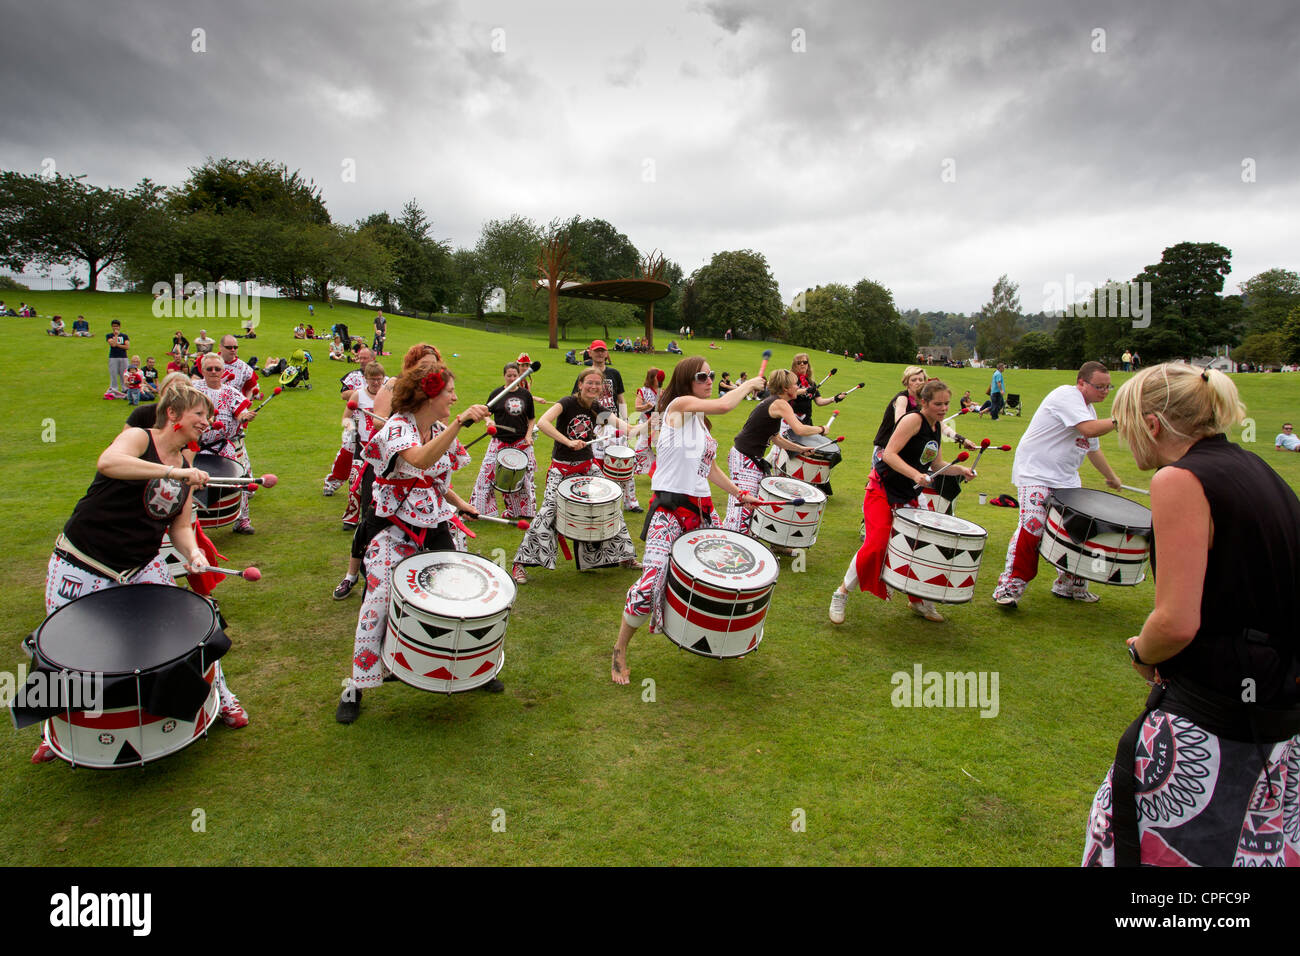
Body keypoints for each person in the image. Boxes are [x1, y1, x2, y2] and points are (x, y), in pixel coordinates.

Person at [1082, 363, 1300, 867]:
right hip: (1273, 713)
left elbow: (1177, 621)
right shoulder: (1256, 469)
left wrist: (1141, 650)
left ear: (1153, 424)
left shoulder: (1179, 477)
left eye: (1126, 423)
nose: (1125, 440)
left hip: (1214, 718)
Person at [31, 385, 249, 763]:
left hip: (142, 565)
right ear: (174, 414)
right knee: (65, 651)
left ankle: (220, 700)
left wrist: (194, 555)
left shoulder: (186, 466)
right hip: (81, 562)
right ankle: (55, 731)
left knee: (191, 633)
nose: (207, 422)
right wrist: (171, 471)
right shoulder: (138, 438)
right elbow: (109, 463)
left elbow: (180, 528)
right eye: (201, 414)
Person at [335, 355, 491, 722]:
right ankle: (355, 685)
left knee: (459, 594)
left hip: (434, 526)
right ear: (428, 394)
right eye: (450, 392)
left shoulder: (437, 432)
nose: (454, 399)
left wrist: (460, 504)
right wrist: (460, 423)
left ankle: (472, 668)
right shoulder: (396, 428)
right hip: (391, 529)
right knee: (378, 599)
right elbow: (419, 461)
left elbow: (434, 479)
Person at [612, 358, 766, 684]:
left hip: (704, 510)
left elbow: (707, 468)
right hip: (669, 510)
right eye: (702, 376)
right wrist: (749, 384)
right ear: (687, 381)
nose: (709, 380)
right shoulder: (679, 406)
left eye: (712, 375)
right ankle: (620, 650)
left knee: (727, 577)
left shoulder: (699, 421)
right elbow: (725, 405)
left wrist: (739, 492)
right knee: (649, 585)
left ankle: (722, 640)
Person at [829, 379, 977, 626]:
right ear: (924, 402)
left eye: (946, 404)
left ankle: (917, 600)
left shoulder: (936, 426)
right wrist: (915, 475)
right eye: (938, 404)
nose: (943, 409)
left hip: (908, 494)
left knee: (915, 546)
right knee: (876, 545)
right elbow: (888, 454)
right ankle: (841, 593)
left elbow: (936, 464)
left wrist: (961, 470)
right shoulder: (912, 420)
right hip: (882, 490)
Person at [991, 362, 1123, 608]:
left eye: (1108, 387)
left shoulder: (1089, 410)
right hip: (1036, 474)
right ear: (1081, 383)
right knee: (1032, 527)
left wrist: (1111, 476)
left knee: (1077, 530)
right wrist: (1123, 418)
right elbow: (1089, 430)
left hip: (1067, 479)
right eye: (1099, 386)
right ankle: (1008, 588)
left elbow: (1093, 449)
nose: (1105, 392)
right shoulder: (1066, 395)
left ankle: (1070, 585)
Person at [510, 368, 643, 584]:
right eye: (589, 383)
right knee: (548, 513)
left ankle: (624, 556)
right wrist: (568, 441)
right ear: (580, 384)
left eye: (597, 384)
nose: (593, 387)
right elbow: (543, 423)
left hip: (588, 467)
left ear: (602, 387)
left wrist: (653, 423)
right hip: (561, 469)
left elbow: (627, 429)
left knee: (610, 507)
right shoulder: (566, 403)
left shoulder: (597, 408)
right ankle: (520, 564)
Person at [722, 369, 830, 534]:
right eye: (795, 384)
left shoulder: (773, 402)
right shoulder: (780, 403)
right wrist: (821, 429)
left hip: (749, 457)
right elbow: (799, 429)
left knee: (752, 505)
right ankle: (729, 544)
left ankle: (742, 542)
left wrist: (800, 449)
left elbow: (775, 438)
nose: (798, 387)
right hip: (744, 458)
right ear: (786, 388)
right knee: (741, 510)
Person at [193, 352, 258, 534]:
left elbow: (240, 412)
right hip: (194, 448)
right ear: (202, 370)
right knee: (189, 483)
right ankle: (190, 524)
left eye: (218, 369)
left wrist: (245, 416)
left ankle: (242, 521)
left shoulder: (230, 392)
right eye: (209, 369)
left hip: (222, 446)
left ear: (223, 370)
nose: (214, 372)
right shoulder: (193, 390)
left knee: (240, 480)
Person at [469, 362, 538, 521]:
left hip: (521, 442)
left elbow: (532, 418)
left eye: (515, 376)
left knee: (524, 478)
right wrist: (488, 421)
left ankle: (523, 512)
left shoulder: (525, 394)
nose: (512, 378)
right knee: (486, 474)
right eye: (509, 376)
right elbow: (486, 412)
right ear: (504, 376)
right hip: (499, 441)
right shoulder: (497, 393)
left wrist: (528, 435)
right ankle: (481, 511)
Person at [587, 340, 639, 511]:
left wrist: (626, 421)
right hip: (597, 426)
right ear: (590, 353)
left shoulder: (614, 373)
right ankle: (601, 498)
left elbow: (621, 399)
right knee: (599, 464)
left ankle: (630, 502)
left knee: (624, 462)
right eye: (597, 351)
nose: (600, 354)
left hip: (615, 424)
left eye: (603, 351)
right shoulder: (586, 375)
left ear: (607, 353)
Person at [323, 347, 375, 496]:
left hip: (374, 423)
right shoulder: (354, 376)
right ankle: (332, 482)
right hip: (354, 421)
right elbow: (344, 394)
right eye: (361, 358)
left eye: (365, 358)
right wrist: (362, 393)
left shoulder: (382, 377)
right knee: (347, 452)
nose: (362, 361)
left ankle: (372, 486)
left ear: (373, 358)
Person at [632, 368, 664, 479]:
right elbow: (637, 407)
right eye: (657, 377)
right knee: (642, 446)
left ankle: (657, 469)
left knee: (658, 447)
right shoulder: (643, 391)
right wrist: (646, 406)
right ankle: (642, 466)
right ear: (652, 378)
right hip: (645, 422)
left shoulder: (663, 391)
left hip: (658, 423)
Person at [218, 335, 258, 400]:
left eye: (235, 347)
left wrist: (246, 404)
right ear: (220, 347)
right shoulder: (209, 362)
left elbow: (252, 388)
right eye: (229, 347)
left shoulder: (245, 368)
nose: (233, 350)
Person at [105, 320, 129, 398]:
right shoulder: (109, 335)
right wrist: (115, 336)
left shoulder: (124, 336)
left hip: (123, 357)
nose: (115, 327)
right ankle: (114, 388)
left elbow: (127, 346)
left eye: (117, 326)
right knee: (113, 373)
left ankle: (125, 388)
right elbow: (112, 344)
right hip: (113, 357)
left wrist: (117, 345)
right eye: (114, 326)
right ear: (112, 327)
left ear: (119, 327)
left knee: (124, 373)